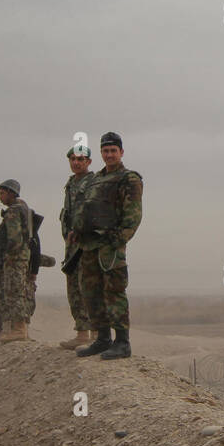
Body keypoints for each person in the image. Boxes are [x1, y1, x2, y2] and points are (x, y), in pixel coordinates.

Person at [72, 133, 142, 360]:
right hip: (90, 245)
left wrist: (118, 239)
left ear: (121, 152)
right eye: (105, 151)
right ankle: (103, 339)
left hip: (110, 245)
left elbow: (133, 216)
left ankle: (122, 342)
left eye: (113, 150)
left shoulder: (129, 179)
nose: (109, 154)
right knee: (91, 292)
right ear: (101, 153)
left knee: (114, 291)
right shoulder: (95, 180)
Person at [59, 146, 96, 349]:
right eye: (73, 159)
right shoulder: (70, 184)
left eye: (81, 159)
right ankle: (82, 333)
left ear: (89, 162)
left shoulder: (93, 182)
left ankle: (97, 334)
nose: (76, 163)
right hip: (72, 244)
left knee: (89, 286)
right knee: (74, 287)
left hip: (88, 243)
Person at [0, 180, 34, 343]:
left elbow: (15, 238)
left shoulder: (13, 211)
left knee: (14, 292)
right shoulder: (23, 209)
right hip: (21, 258)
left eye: (2, 193)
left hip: (14, 259)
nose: (0, 196)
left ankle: (19, 329)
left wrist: (7, 255)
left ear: (11, 193)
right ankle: (19, 329)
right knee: (18, 291)